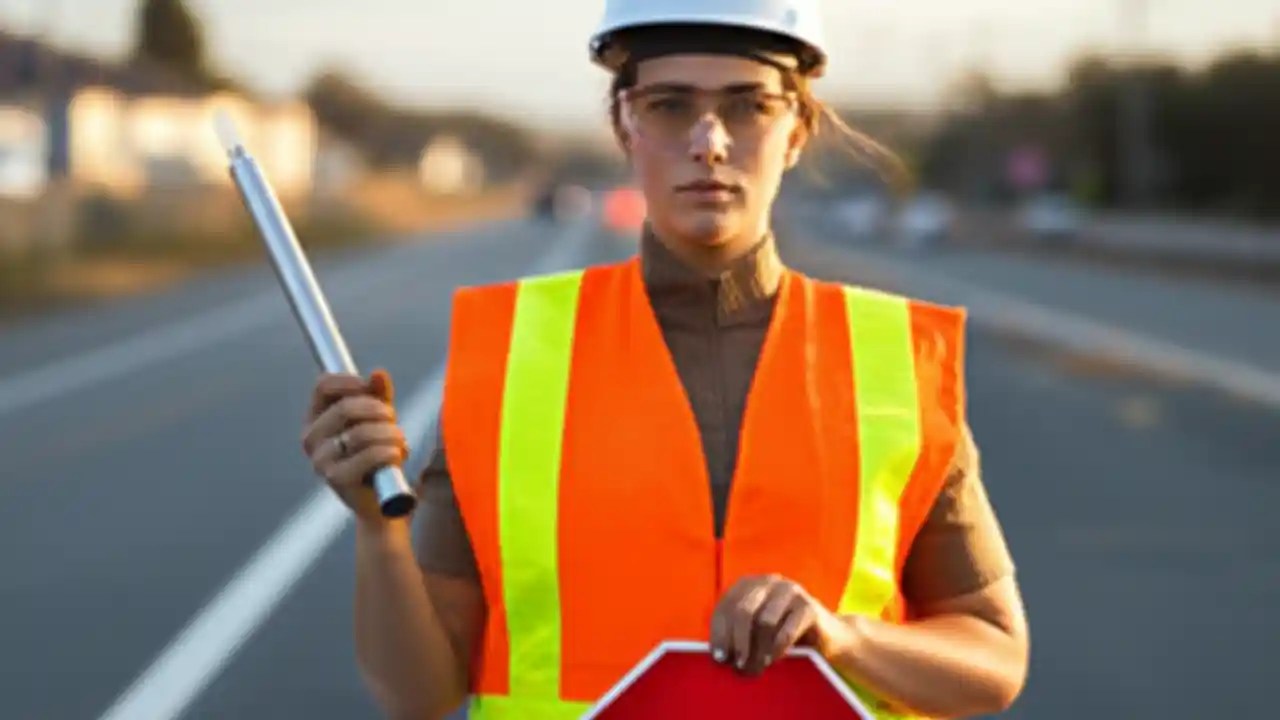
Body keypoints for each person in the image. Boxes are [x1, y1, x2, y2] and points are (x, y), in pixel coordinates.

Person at [300, 1, 1030, 717]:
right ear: (624, 123)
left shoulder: (892, 358)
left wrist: (845, 638)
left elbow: (993, 657)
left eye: (749, 106)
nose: (709, 140)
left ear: (798, 129)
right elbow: (420, 695)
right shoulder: (510, 354)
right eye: (670, 105)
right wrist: (378, 532)